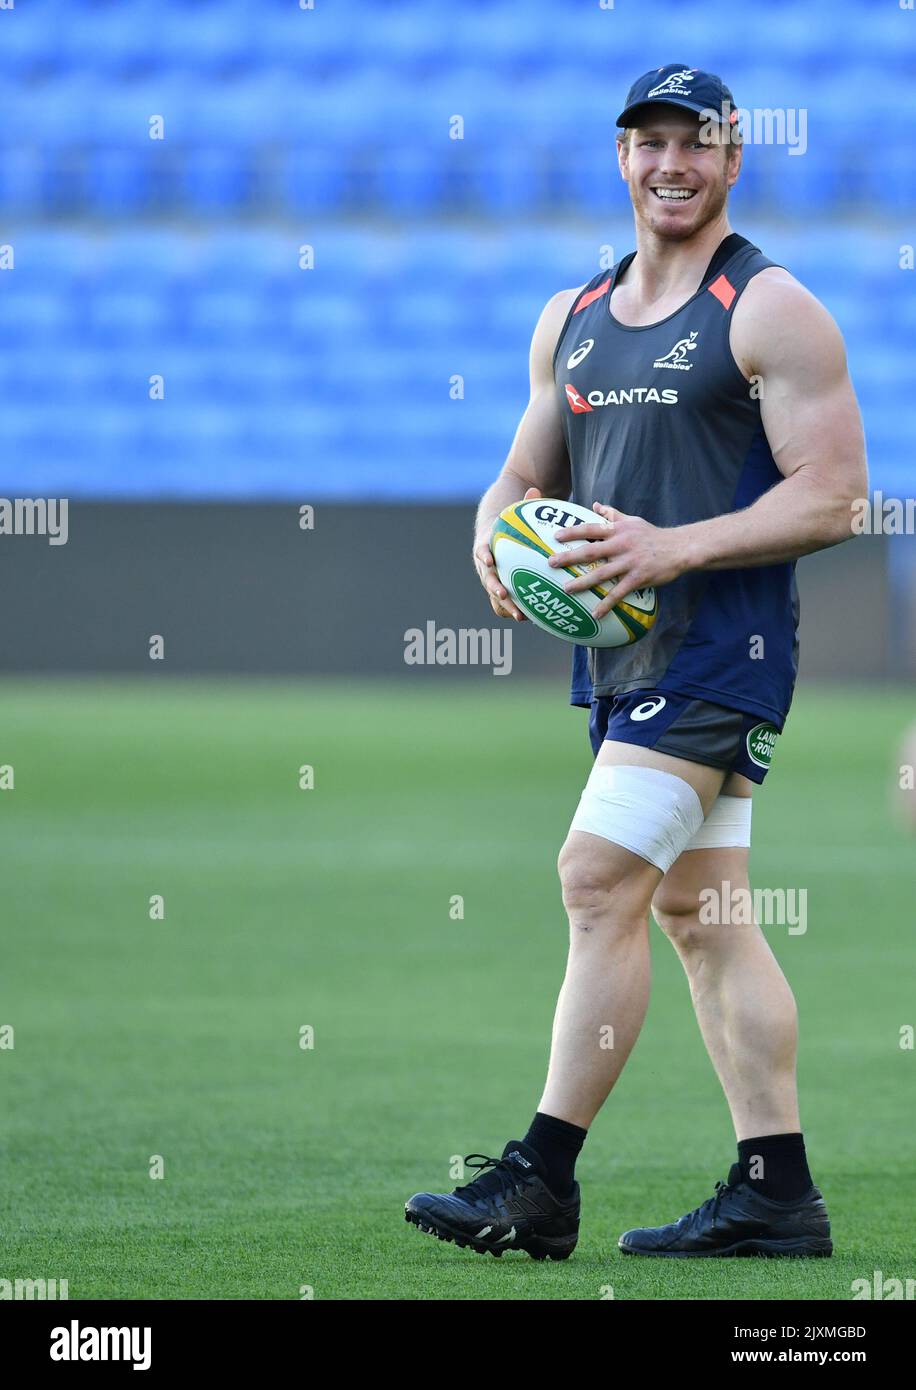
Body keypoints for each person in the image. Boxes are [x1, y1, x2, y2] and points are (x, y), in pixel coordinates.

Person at [404, 63, 867, 1260]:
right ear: (621, 158)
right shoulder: (574, 314)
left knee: (593, 876)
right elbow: (522, 476)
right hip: (625, 661)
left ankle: (539, 1178)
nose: (670, 163)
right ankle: (776, 1190)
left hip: (724, 647)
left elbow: (836, 495)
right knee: (701, 911)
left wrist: (672, 546)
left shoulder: (766, 309)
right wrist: (491, 541)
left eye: (694, 143)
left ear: (731, 156)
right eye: (648, 142)